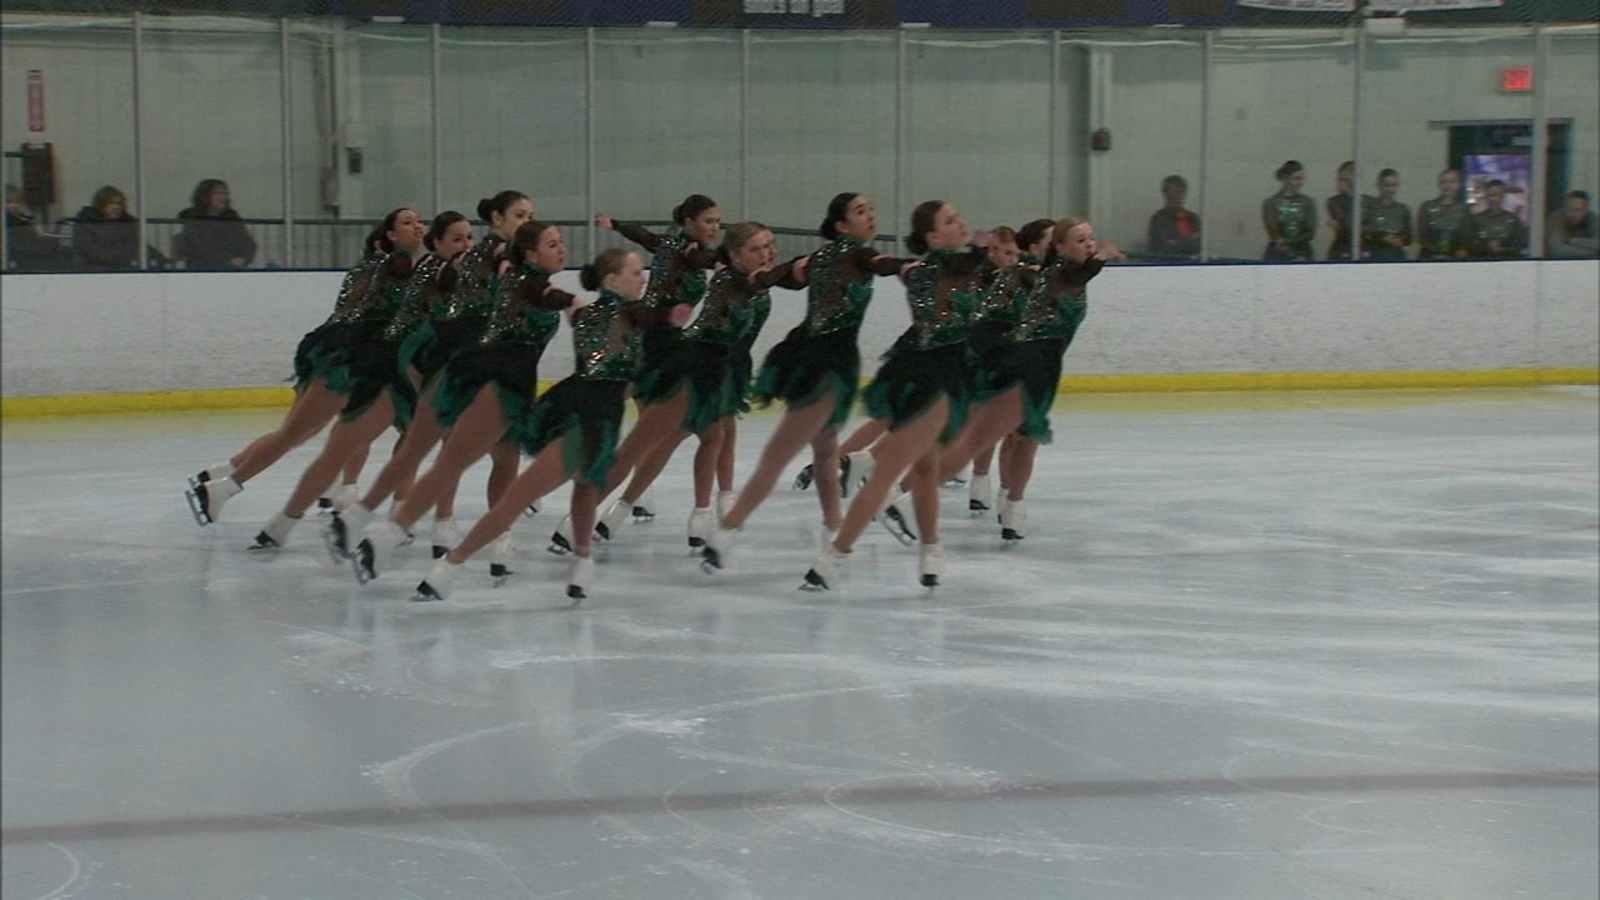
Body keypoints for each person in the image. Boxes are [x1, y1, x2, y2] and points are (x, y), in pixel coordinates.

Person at [412, 248, 652, 604]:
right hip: (583, 415)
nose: (643, 277)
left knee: (586, 488)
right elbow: (606, 344)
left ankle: (583, 562)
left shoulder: (631, 318)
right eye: (635, 272)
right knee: (519, 496)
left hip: (603, 415)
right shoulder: (600, 315)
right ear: (612, 280)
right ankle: (450, 565)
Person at [351, 219, 574, 584]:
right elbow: (536, 293)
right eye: (552, 245)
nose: (562, 249)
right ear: (532, 253)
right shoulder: (525, 282)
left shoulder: (517, 275)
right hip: (495, 381)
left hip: (509, 381)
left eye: (561, 242)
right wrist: (575, 303)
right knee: (455, 462)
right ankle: (393, 538)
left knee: (502, 462)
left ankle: (494, 539)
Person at [696, 193, 905, 563]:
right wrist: (912, 268)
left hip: (822, 356)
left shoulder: (821, 257)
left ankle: (833, 527)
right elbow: (881, 263)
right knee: (782, 452)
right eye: (860, 212)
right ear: (841, 225)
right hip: (821, 362)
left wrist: (764, 277)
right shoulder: (856, 254)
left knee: (826, 451)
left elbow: (789, 275)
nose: (871, 215)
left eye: (871, 208)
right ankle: (727, 531)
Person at [71, 185, 165, 270]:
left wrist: (161, 259)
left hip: (126, 268)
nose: (116, 207)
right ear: (100, 204)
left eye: (119, 204)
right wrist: (120, 258)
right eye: (110, 203)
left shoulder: (128, 223)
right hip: (94, 271)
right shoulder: (85, 222)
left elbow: (142, 246)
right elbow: (88, 251)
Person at [174, 178, 256, 270]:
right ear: (205, 195)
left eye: (225, 193)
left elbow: (248, 243)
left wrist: (242, 258)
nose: (223, 197)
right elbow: (196, 245)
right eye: (217, 193)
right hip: (199, 268)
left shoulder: (231, 217)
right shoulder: (190, 217)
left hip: (230, 268)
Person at [4, 182, 75, 271]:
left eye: (17, 202)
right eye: (9, 202)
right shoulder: (10, 224)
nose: (13, 206)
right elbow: (26, 247)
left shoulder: (26, 219)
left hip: (36, 254)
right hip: (27, 261)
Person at [1262, 161, 1316, 261]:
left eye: (1302, 179)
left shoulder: (1308, 202)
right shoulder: (1270, 202)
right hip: (1277, 252)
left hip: (1302, 251)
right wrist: (1289, 252)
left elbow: (1310, 232)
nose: (1300, 183)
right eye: (1296, 179)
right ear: (1285, 178)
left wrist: (1293, 246)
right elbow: (1273, 232)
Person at [1415, 169, 1471, 260]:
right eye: (1444, 181)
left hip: (1455, 258)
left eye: (1452, 182)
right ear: (1439, 184)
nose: (1448, 186)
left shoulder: (1464, 209)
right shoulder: (1427, 207)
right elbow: (1422, 236)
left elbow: (1467, 236)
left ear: (1459, 185)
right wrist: (1436, 252)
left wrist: (1455, 251)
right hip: (1429, 257)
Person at [1465, 179, 1527, 259]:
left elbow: (1520, 245)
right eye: (1491, 196)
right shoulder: (1476, 220)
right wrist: (1486, 248)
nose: (1495, 200)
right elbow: (1470, 245)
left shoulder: (1513, 219)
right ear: (1486, 196)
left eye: (1499, 196)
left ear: (1503, 196)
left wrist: (1503, 250)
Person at [1325, 161, 1373, 262]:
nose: (1342, 183)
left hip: (1364, 249)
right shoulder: (1333, 202)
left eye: (1346, 180)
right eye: (1340, 179)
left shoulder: (1370, 202)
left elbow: (1370, 229)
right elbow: (1347, 226)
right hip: (1341, 250)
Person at [1360, 169, 1412, 261]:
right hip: (1374, 256)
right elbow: (1364, 232)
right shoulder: (1370, 208)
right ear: (1379, 186)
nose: (1391, 189)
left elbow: (1409, 237)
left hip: (1396, 257)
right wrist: (1384, 238)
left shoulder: (1403, 209)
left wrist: (1400, 240)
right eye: (1387, 185)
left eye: (1394, 185)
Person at [1147, 175, 1201, 261]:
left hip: (1191, 265)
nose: (1176, 197)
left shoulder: (1193, 218)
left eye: (1180, 192)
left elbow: (1198, 246)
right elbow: (1162, 248)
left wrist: (1175, 242)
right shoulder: (1158, 218)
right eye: (1173, 192)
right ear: (1165, 194)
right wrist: (1188, 241)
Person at [1546, 190, 1598, 259]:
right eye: (1571, 209)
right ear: (1564, 208)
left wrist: (1572, 241)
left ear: (1586, 211)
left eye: (1579, 210)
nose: (1574, 214)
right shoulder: (1556, 219)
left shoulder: (1593, 219)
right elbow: (1556, 249)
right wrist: (1595, 253)